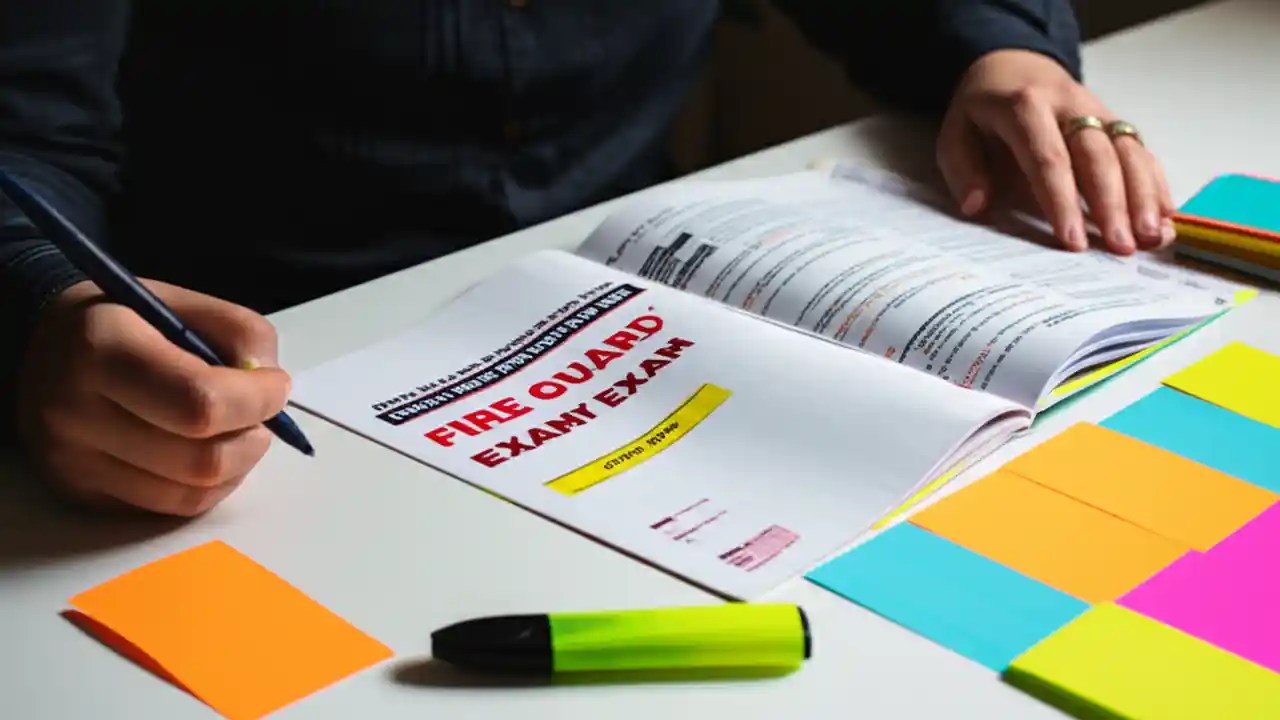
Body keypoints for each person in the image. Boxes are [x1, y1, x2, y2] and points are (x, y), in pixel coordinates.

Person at [0, 1, 1173, 517]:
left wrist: (997, 52)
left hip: (637, 302)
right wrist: (42, 308)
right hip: (253, 370)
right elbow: (24, 143)